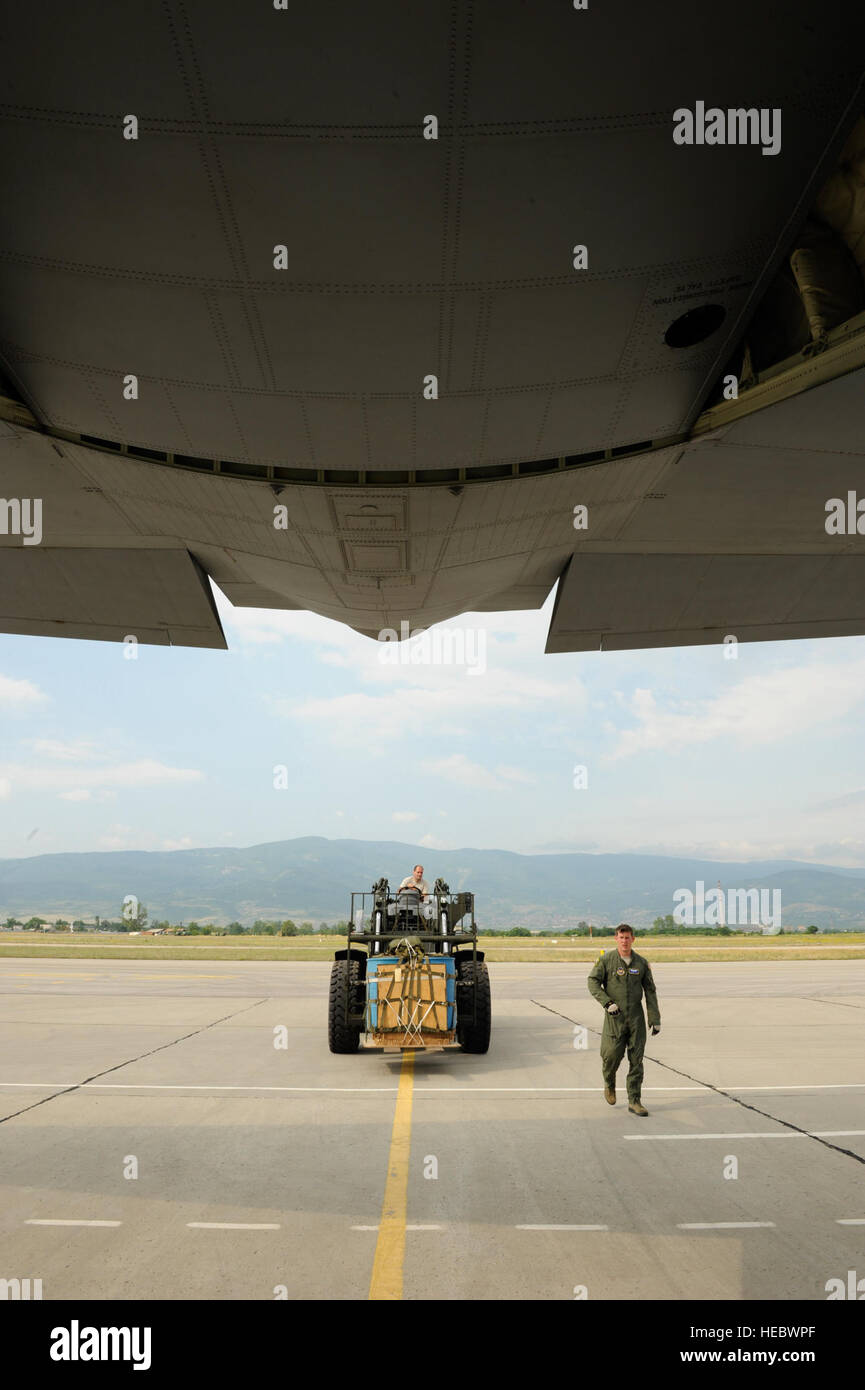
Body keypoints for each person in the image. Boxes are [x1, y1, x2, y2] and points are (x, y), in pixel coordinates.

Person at [587, 924, 660, 1117]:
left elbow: (650, 991)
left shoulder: (641, 963)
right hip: (615, 1017)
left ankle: (634, 1101)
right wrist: (606, 1003)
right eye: (621, 937)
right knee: (610, 1056)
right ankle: (609, 1082)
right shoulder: (606, 960)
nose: (624, 941)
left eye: (628, 937)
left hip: (636, 1017)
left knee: (636, 1060)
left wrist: (655, 1018)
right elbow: (592, 981)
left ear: (633, 939)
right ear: (616, 939)